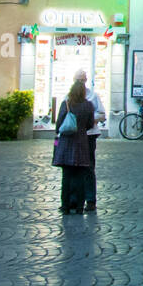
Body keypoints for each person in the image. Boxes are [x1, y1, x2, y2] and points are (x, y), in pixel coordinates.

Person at [52, 79, 93, 214]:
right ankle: (80, 207)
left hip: (66, 143)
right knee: (80, 178)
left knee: (66, 177)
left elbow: (59, 125)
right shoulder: (88, 105)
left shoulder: (66, 103)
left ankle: (65, 207)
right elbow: (90, 125)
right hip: (81, 143)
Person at [74, 68, 105, 212]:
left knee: (89, 167)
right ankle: (74, 200)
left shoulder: (93, 96)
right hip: (74, 135)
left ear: (86, 80)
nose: (80, 82)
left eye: (82, 79)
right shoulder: (69, 97)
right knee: (73, 168)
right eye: (78, 80)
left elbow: (102, 114)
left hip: (90, 134)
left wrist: (90, 119)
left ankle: (91, 200)